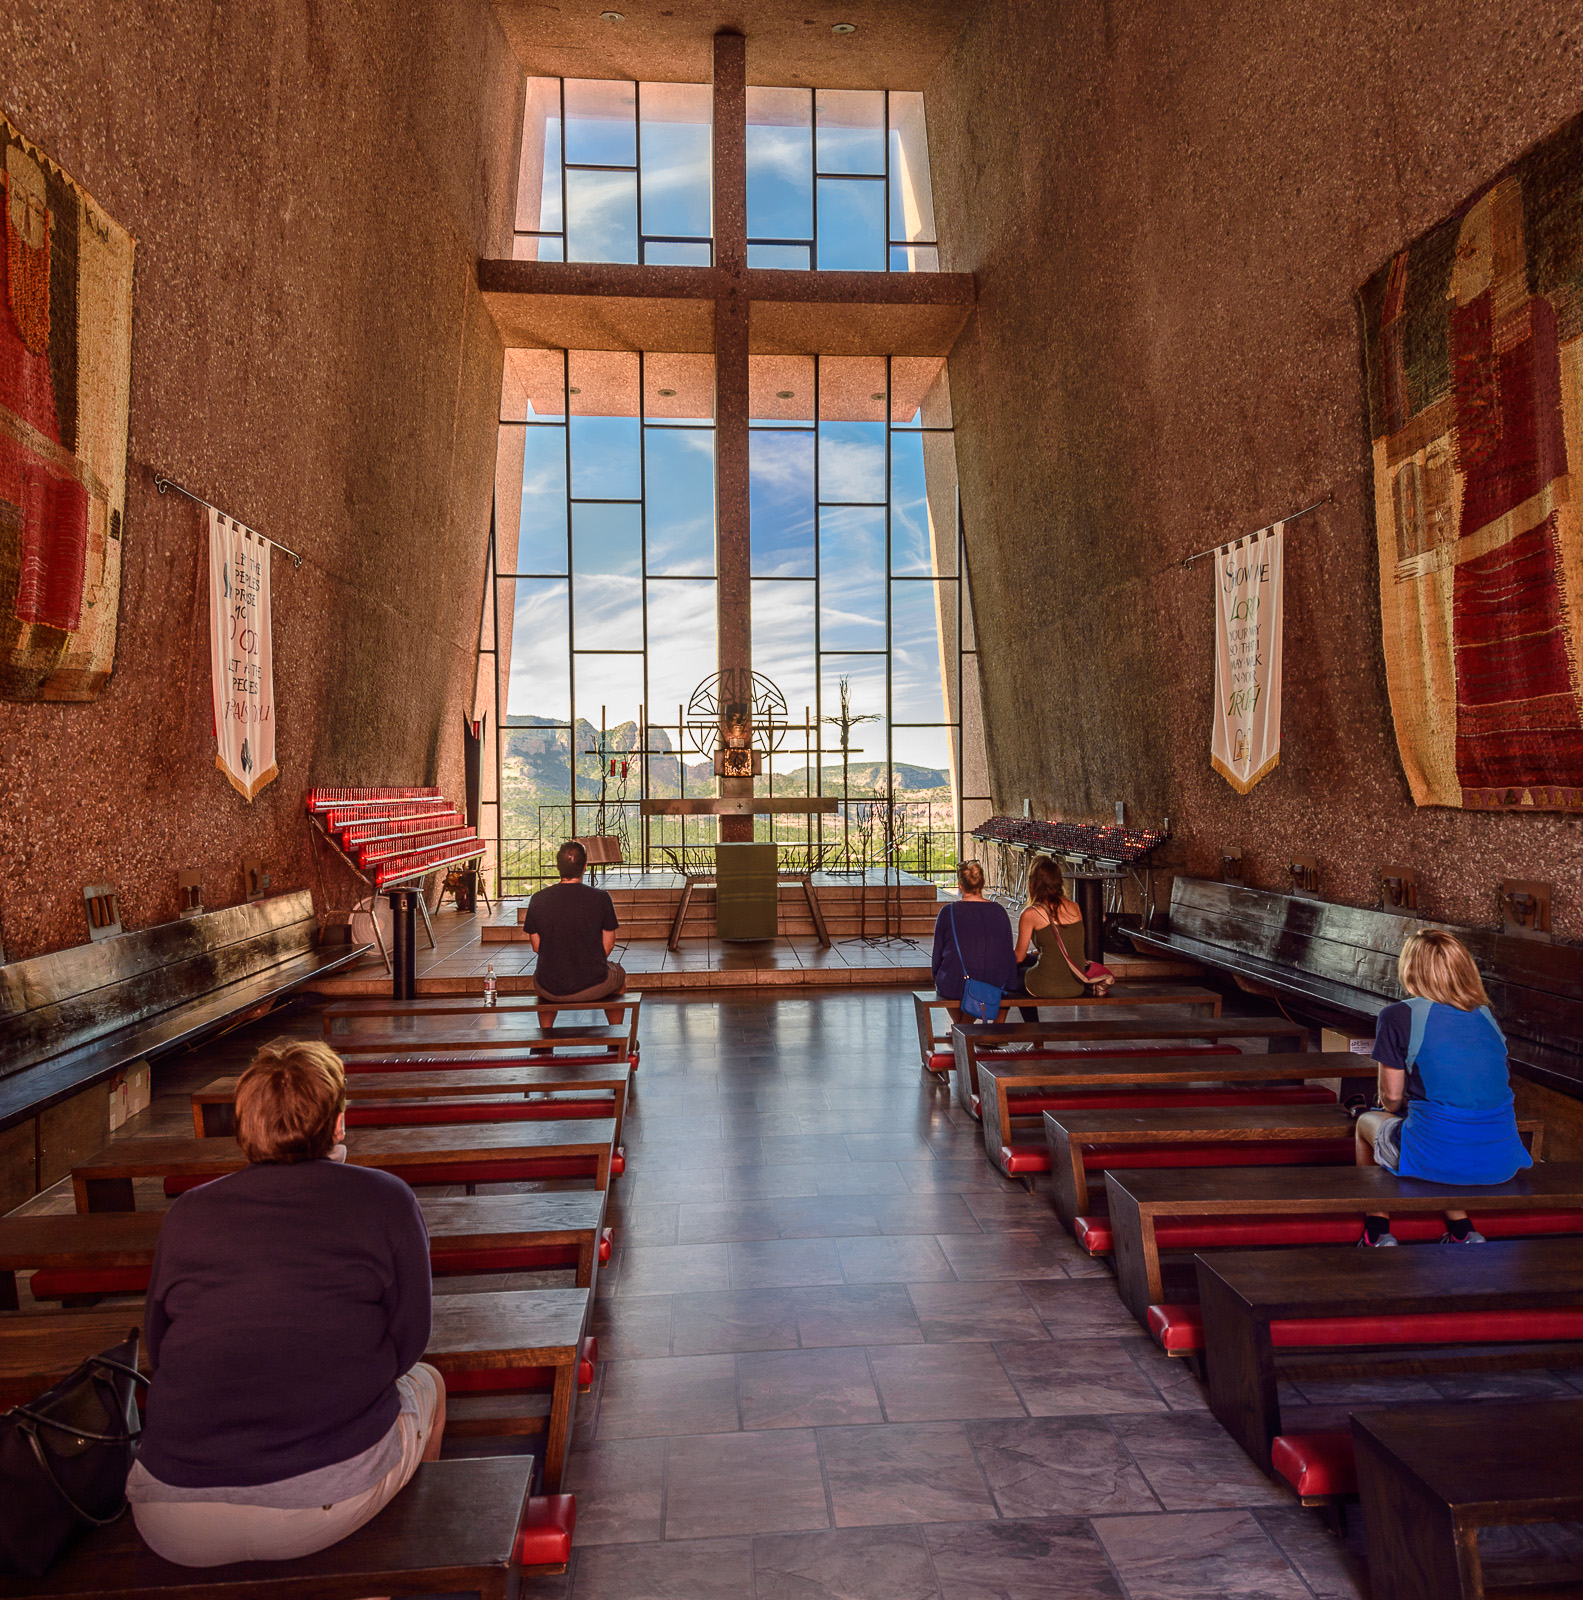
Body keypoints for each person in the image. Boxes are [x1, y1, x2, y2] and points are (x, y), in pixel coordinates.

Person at [127, 1040, 443, 1567]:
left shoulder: (188, 1213)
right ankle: (388, 1568)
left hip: (172, 1512)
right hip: (323, 1499)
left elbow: (159, 1349)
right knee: (430, 1384)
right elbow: (410, 1340)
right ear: (338, 1124)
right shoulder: (385, 1198)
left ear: (244, 1125)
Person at [1354, 929, 1532, 1247]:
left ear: (1411, 969)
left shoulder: (1398, 1015)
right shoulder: (1486, 1016)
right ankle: (1463, 1230)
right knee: (1440, 1134)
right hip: (1501, 1156)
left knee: (1365, 1123)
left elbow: (1392, 1098)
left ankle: (1377, 1229)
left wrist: (1393, 1106)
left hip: (1439, 1152)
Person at [523, 838, 627, 1025]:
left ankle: (545, 1039)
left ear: (557, 866)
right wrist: (588, 961)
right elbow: (609, 944)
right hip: (593, 981)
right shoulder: (601, 898)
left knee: (541, 978)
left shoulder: (538, 899)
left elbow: (537, 946)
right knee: (618, 977)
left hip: (550, 986)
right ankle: (616, 1039)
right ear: (585, 866)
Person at [932, 860, 1028, 1019]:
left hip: (956, 980)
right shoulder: (999, 911)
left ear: (960, 886)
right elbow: (1006, 951)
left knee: (951, 981)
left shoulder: (948, 912)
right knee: (983, 983)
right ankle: (964, 1029)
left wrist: (937, 976)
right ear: (982, 883)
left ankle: (962, 1028)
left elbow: (937, 955)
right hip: (993, 981)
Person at [1014, 856, 1089, 1002]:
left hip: (1046, 985)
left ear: (1034, 883)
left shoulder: (1031, 913)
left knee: (1011, 975)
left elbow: (1018, 957)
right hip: (1076, 984)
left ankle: (1028, 1023)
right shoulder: (1075, 907)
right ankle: (1031, 1024)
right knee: (1029, 961)